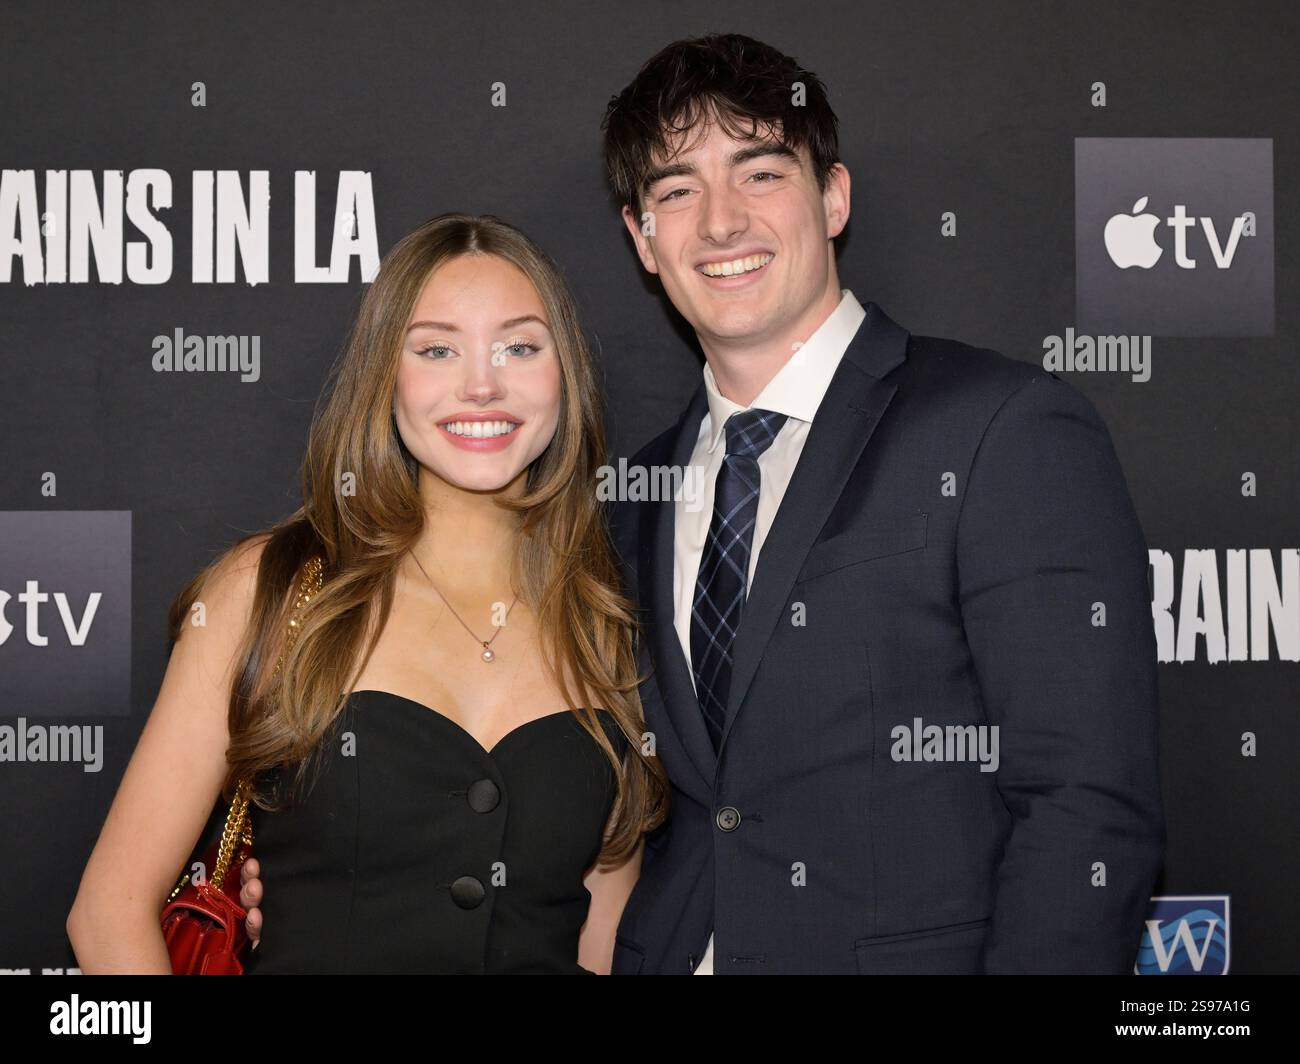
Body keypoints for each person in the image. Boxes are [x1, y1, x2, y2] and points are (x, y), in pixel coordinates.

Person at [244, 32, 1165, 975]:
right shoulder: (620, 510)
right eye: (677, 191)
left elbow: (1086, 806)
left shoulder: (998, 429)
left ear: (834, 196)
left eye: (760, 173)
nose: (720, 223)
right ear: (643, 240)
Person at [65, 213, 668, 974]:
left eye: (519, 346)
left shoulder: (605, 619)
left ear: (565, 375)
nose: (482, 383)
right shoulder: (272, 590)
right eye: (437, 348)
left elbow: (599, 933)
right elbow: (109, 913)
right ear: (386, 374)